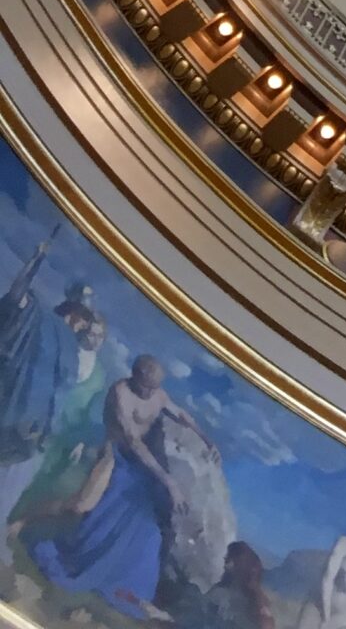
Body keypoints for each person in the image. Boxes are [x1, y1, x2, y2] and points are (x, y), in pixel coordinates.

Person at [25, 352, 210, 614]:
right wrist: (169, 482)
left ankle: (131, 590)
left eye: (154, 387)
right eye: (146, 386)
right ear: (136, 377)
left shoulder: (158, 396)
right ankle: (25, 519)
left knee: (148, 531)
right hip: (115, 454)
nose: (149, 392)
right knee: (80, 505)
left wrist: (207, 440)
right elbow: (133, 442)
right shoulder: (120, 393)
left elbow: (180, 414)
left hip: (139, 466)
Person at [0, 244, 101, 527]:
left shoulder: (73, 349)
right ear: (70, 309)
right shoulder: (40, 316)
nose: (80, 322)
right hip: (10, 413)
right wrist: (34, 260)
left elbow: (63, 391)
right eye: (79, 313)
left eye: (84, 318)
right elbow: (13, 302)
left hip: (34, 436)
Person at [207, 539, 275, 629]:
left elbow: (267, 622)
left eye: (231, 560)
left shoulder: (257, 602)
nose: (226, 564)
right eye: (227, 559)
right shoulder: (219, 591)